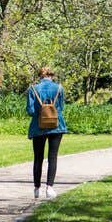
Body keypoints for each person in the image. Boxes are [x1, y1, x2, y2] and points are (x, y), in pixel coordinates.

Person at [25, 67, 67, 199]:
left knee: (38, 158)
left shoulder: (33, 89)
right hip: (56, 126)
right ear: (52, 75)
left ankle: (36, 188)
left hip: (38, 126)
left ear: (40, 76)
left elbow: (30, 110)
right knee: (52, 157)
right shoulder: (59, 88)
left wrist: (40, 112)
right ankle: (49, 188)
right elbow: (60, 107)